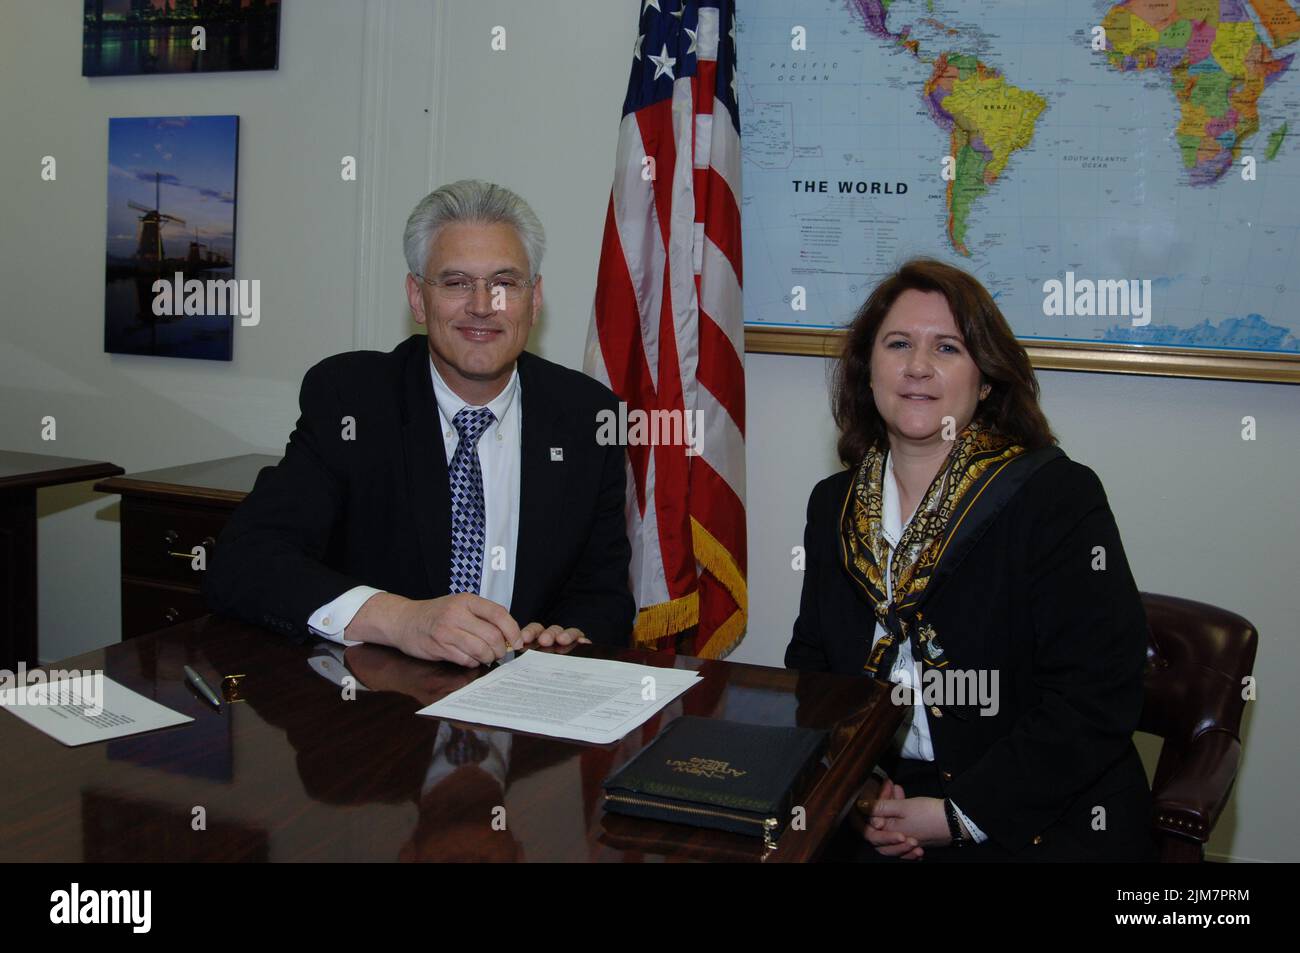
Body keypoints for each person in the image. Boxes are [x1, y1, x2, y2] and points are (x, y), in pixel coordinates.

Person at [786, 258, 1155, 862]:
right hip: (881, 793)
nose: (918, 367)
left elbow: (1098, 695)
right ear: (867, 369)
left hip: (1031, 807)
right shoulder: (835, 503)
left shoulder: (1054, 497)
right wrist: (864, 789)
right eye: (898, 343)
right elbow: (813, 669)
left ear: (986, 380)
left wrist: (961, 816)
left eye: (948, 348)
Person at [205, 180, 635, 665]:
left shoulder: (588, 417)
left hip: (524, 711)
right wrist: (402, 619)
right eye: (455, 282)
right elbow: (246, 561)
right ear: (417, 297)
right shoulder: (353, 399)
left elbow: (604, 596)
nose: (481, 305)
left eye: (505, 283)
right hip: (371, 707)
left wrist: (563, 635)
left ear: (533, 300)